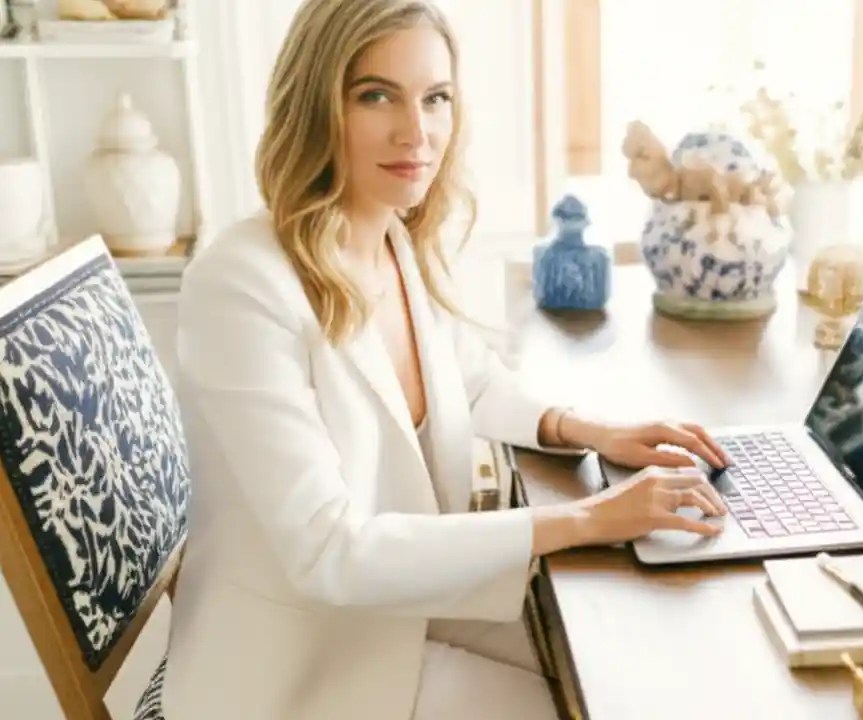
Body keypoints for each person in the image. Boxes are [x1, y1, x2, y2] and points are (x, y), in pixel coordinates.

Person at [161, 1, 731, 718]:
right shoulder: (240, 284)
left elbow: (468, 378)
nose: (416, 131)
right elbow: (327, 551)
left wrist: (588, 430)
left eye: (436, 99)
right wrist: (588, 517)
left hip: (404, 613)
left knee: (644, 671)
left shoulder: (390, 236)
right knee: (602, 699)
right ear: (315, 105)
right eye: (376, 96)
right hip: (303, 670)